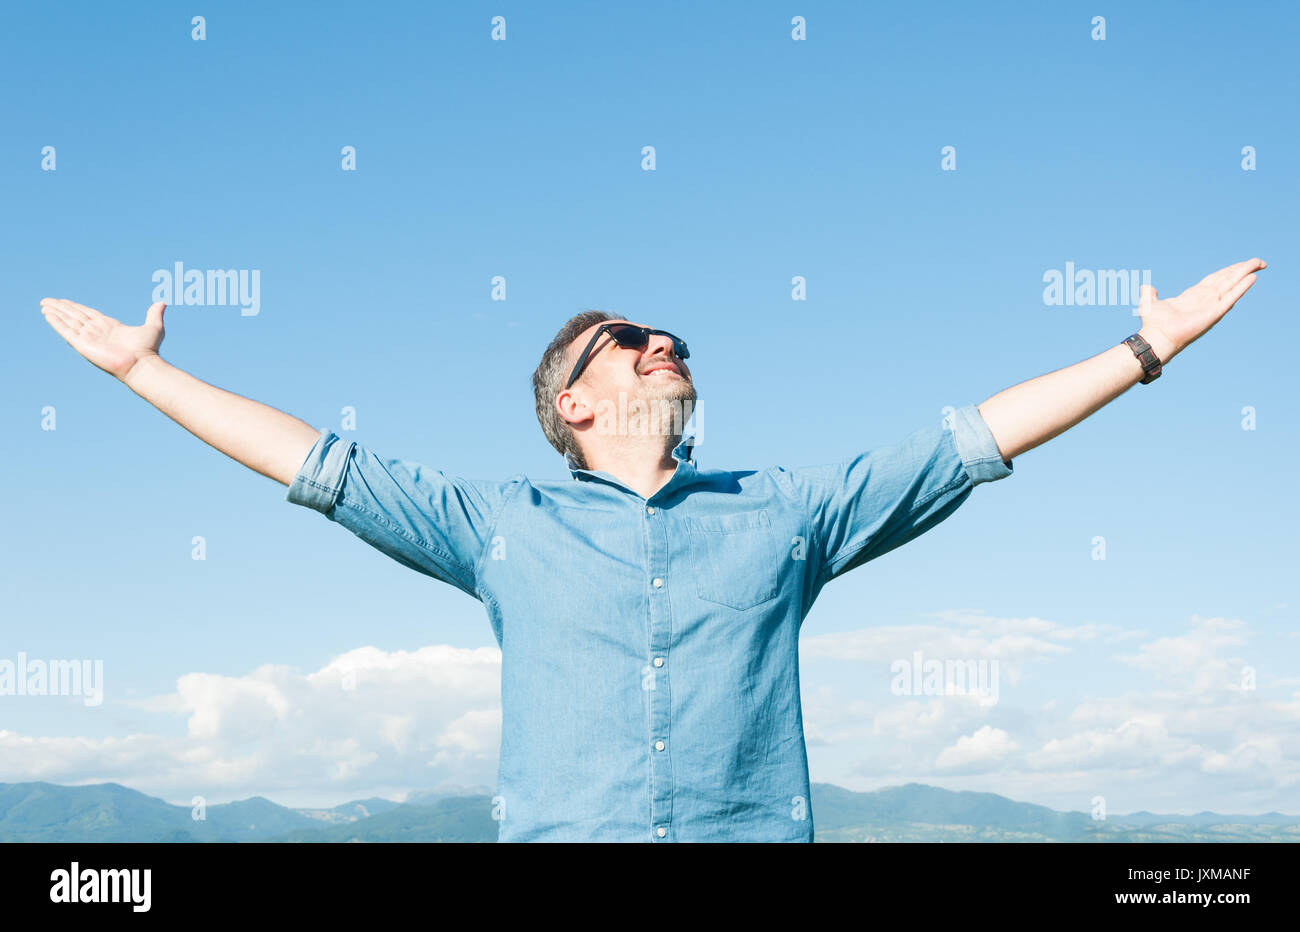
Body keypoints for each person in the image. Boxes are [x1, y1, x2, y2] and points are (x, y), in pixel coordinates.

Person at [39, 257, 1266, 842]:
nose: (659, 340)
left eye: (668, 331)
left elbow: (966, 443)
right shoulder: (501, 527)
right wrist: (148, 371)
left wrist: (1144, 350)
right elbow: (314, 462)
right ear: (570, 402)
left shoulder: (786, 511)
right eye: (626, 336)